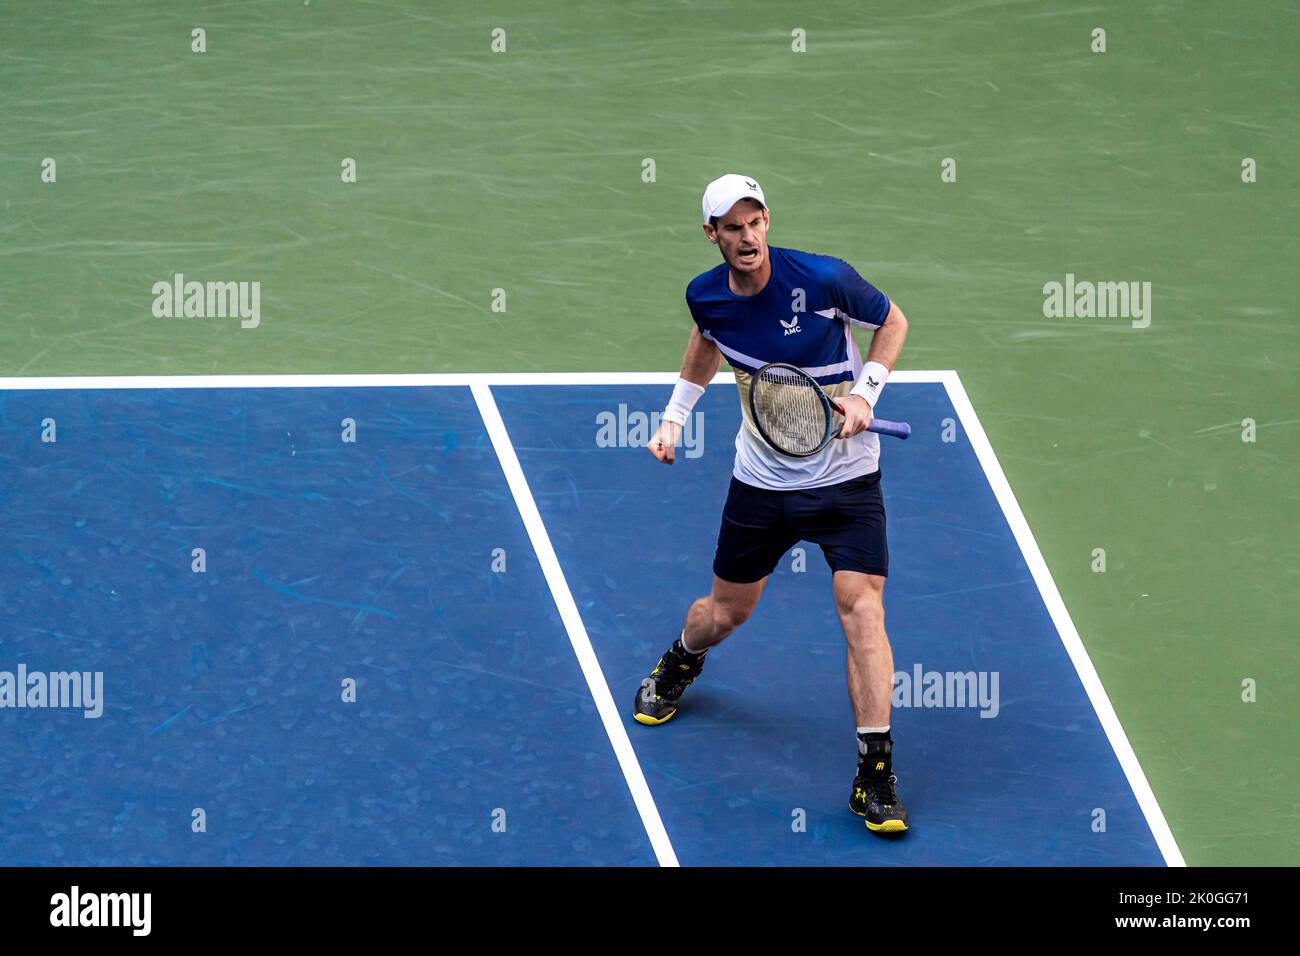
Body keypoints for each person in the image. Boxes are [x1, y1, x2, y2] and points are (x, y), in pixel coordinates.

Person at [634, 174, 911, 834]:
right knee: (724, 614)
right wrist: (675, 415)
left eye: (755, 221)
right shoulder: (706, 294)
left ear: (766, 222)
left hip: (847, 480)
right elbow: (708, 337)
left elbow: (892, 322)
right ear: (713, 235)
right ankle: (681, 657)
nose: (747, 235)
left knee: (862, 609)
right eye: (732, 226)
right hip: (762, 484)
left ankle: (875, 774)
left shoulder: (823, 278)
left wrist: (867, 393)